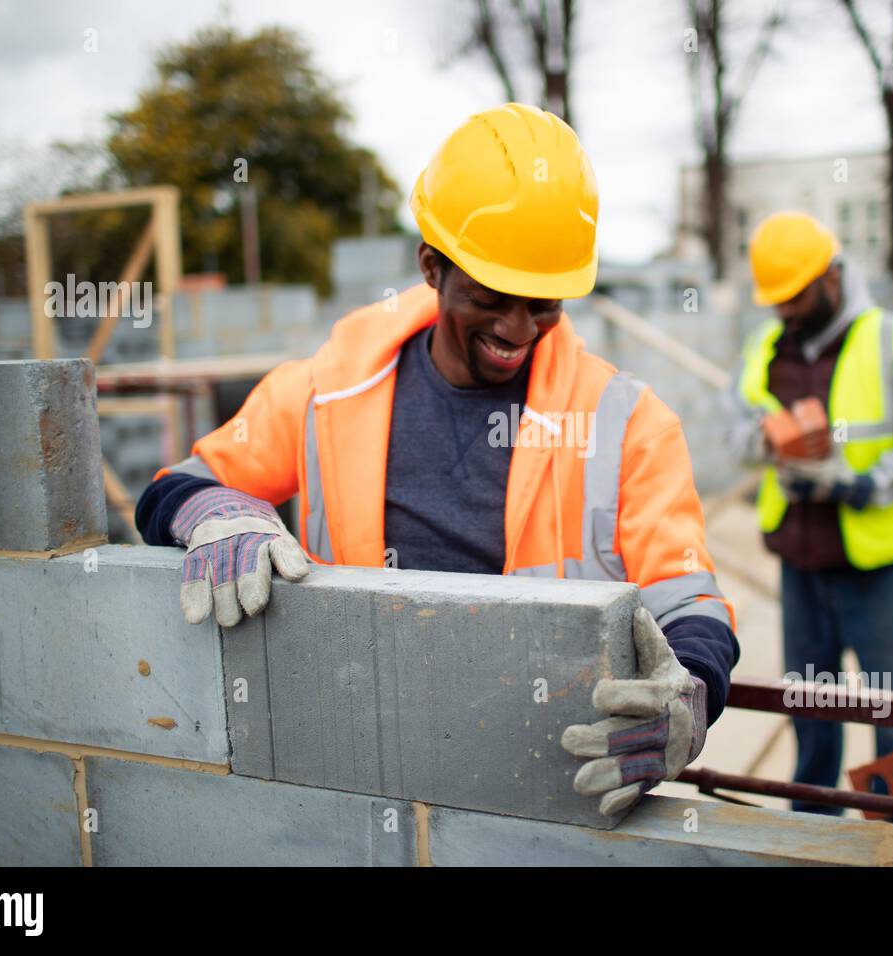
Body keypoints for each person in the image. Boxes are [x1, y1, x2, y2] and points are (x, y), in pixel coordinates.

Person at [134, 103, 739, 818]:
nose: (519, 330)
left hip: (550, 778)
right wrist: (220, 511)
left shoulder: (626, 421)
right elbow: (180, 485)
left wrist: (690, 691)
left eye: (543, 303)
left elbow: (687, 598)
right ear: (431, 266)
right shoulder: (330, 389)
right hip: (367, 765)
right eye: (493, 299)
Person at [722, 211, 893, 814]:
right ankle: (813, 828)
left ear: (833, 276)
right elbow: (736, 432)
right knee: (811, 710)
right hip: (802, 565)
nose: (786, 312)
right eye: (778, 302)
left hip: (880, 570)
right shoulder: (765, 347)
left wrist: (859, 484)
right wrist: (775, 445)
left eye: (796, 298)